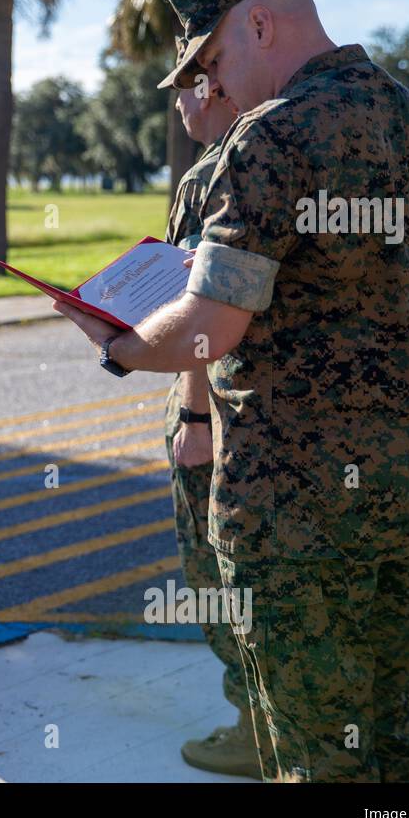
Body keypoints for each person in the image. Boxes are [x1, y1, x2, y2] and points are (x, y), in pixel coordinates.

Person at [56, 0, 409, 782]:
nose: (213, 83)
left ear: (260, 23)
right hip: (397, 491)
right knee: (383, 725)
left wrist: (120, 347)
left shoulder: (271, 136)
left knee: (312, 749)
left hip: (292, 511)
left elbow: (208, 325)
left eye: (211, 58)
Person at [158, 63, 259, 778]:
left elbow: (196, 316)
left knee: (218, 578)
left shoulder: (213, 175)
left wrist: (194, 416)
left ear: (214, 88)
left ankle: (257, 726)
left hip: (218, 419)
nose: (179, 104)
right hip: (263, 418)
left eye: (184, 88)